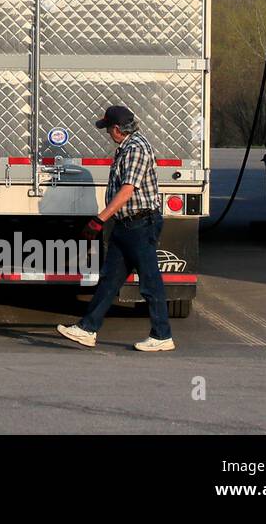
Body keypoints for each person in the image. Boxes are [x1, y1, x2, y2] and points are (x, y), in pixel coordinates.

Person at [58, 105, 174, 352]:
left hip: (140, 224)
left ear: (118, 129)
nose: (108, 133)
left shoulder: (136, 149)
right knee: (110, 279)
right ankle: (87, 329)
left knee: (150, 282)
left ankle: (162, 335)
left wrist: (98, 219)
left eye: (108, 128)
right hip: (127, 224)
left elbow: (127, 191)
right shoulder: (127, 147)